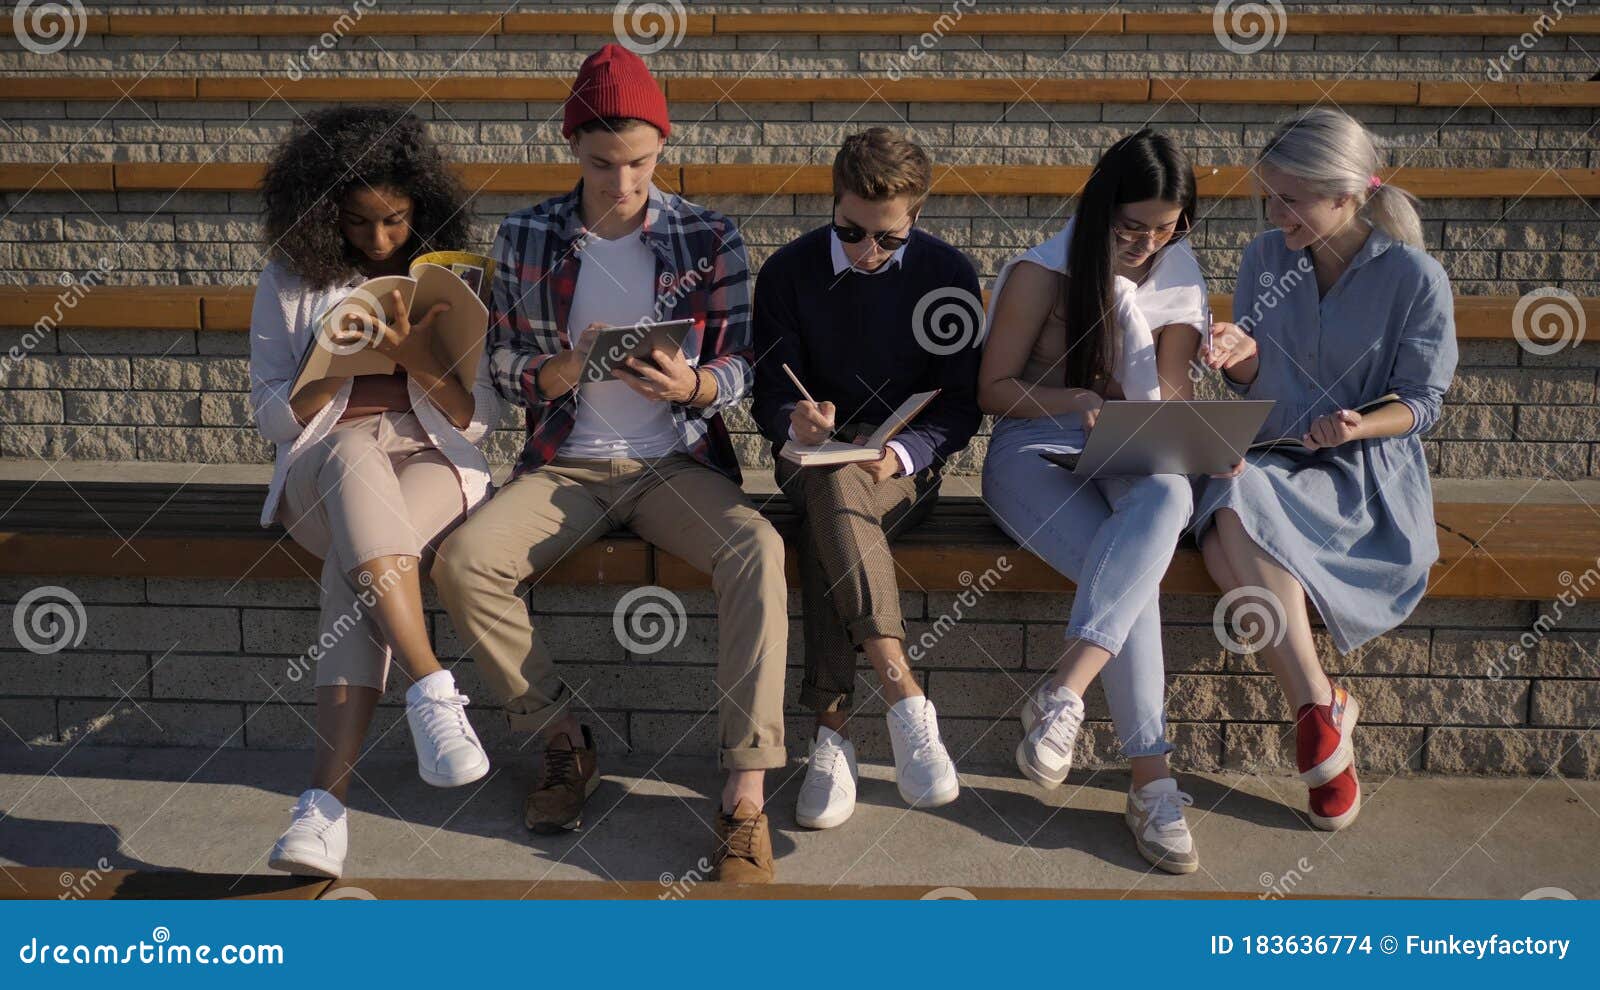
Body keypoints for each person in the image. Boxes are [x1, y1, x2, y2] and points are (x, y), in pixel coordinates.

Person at [429, 45, 787, 883]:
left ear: (660, 149)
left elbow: (741, 366)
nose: (622, 183)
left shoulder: (708, 236)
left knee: (760, 551)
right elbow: (504, 365)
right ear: (573, 151)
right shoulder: (528, 236)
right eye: (602, 164)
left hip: (675, 463)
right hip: (569, 465)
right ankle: (562, 740)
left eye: (640, 163)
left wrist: (692, 382)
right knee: (465, 563)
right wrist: (558, 370)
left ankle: (744, 793)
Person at [249, 106, 503, 878]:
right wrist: (338, 370)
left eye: (396, 219)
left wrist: (418, 359)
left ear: (420, 205)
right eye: (359, 223)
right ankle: (432, 686)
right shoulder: (290, 279)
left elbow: (480, 418)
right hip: (322, 463)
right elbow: (266, 416)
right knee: (356, 452)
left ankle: (323, 810)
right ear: (325, 213)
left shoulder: (446, 274)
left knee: (357, 575)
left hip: (433, 457)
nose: (381, 239)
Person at [1199, 107, 1457, 832]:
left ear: (1345, 194)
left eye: (1291, 199)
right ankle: (1317, 704)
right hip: (1276, 459)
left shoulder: (1413, 276)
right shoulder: (1262, 259)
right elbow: (1257, 380)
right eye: (1268, 196)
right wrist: (1238, 358)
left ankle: (1320, 717)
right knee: (1228, 488)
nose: (1274, 212)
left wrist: (1359, 422)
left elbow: (1425, 401)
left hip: (1366, 472)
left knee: (1224, 531)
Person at [977, 129, 1206, 874]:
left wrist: (1201, 435)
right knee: (1131, 578)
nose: (1144, 243)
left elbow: (1167, 397)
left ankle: (1062, 696)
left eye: (1163, 228)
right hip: (1036, 448)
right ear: (1100, 207)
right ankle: (1153, 783)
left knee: (1168, 490)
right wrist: (1075, 397)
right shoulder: (1043, 271)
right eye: (1130, 226)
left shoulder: (1177, 274)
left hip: (1129, 452)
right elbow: (993, 391)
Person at [753, 128, 983, 830]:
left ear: (916, 214)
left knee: (834, 510)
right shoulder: (789, 272)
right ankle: (904, 695)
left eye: (888, 239)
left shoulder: (948, 273)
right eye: (850, 230)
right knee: (829, 484)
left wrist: (903, 453)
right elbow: (766, 392)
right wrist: (798, 421)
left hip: (898, 469)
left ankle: (833, 734)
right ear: (833, 202)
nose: (866, 251)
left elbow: (963, 405)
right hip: (811, 461)